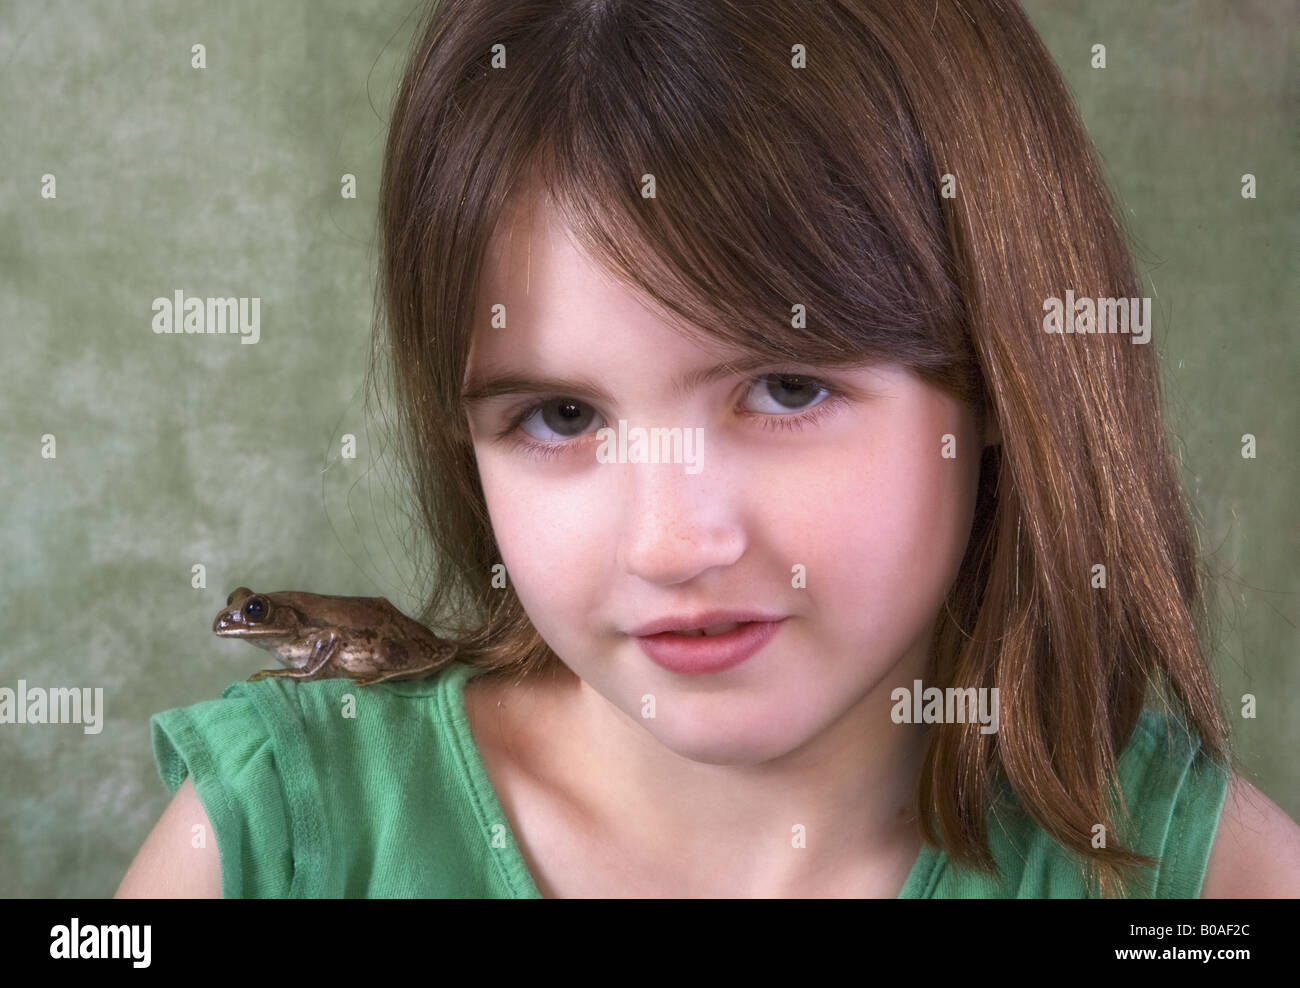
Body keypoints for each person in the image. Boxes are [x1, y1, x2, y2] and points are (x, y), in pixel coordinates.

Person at [117, 0, 1300, 898]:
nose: (674, 542)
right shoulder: (267, 841)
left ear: (999, 373)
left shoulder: (1180, 874)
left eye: (786, 389)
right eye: (562, 418)